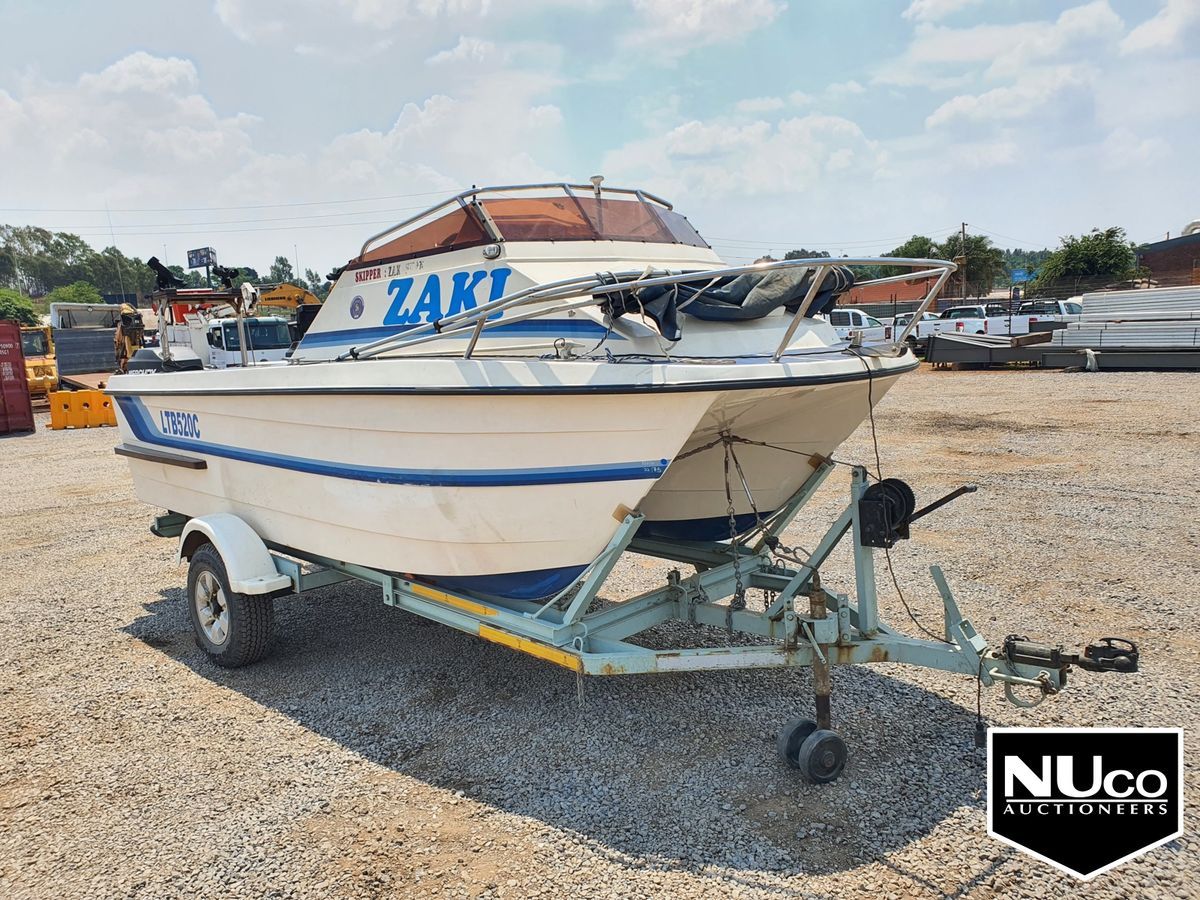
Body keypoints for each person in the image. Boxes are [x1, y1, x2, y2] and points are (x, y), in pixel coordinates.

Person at [114, 303, 144, 373]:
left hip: (127, 342)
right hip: (135, 341)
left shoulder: (124, 319)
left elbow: (118, 337)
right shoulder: (137, 317)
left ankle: (125, 369)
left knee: (127, 355)